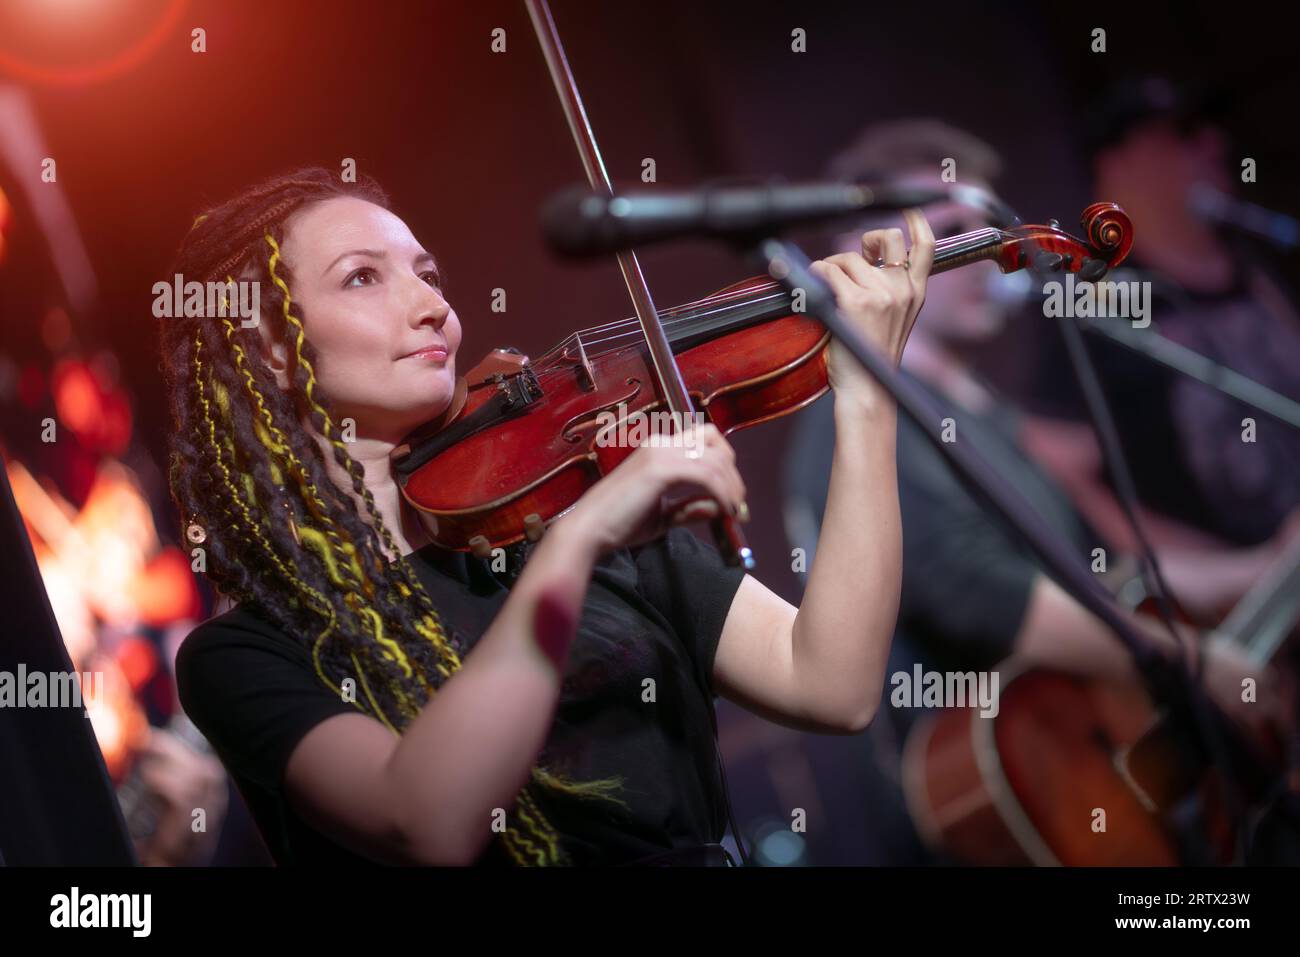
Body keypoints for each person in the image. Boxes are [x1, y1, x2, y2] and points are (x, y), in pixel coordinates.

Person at [162, 166, 935, 866]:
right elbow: (424, 817)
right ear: (266, 344)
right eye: (363, 278)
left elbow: (831, 682)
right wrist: (578, 541)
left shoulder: (567, 502)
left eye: (428, 275)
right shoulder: (245, 656)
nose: (432, 307)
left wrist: (866, 398)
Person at [783, 120, 1294, 865]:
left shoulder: (987, 412)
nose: (994, 251)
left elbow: (1105, 577)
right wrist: (1195, 664)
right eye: (956, 229)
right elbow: (996, 602)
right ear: (879, 256)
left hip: (1089, 756)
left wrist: (1270, 567)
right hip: (1008, 798)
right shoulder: (856, 426)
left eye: (993, 226)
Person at [1026, 77, 1300, 550]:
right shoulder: (1090, 300)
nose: (1213, 144)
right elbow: (1057, 467)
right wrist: (1227, 581)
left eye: (1210, 128)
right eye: (1182, 133)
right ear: (1117, 163)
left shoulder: (1260, 263)